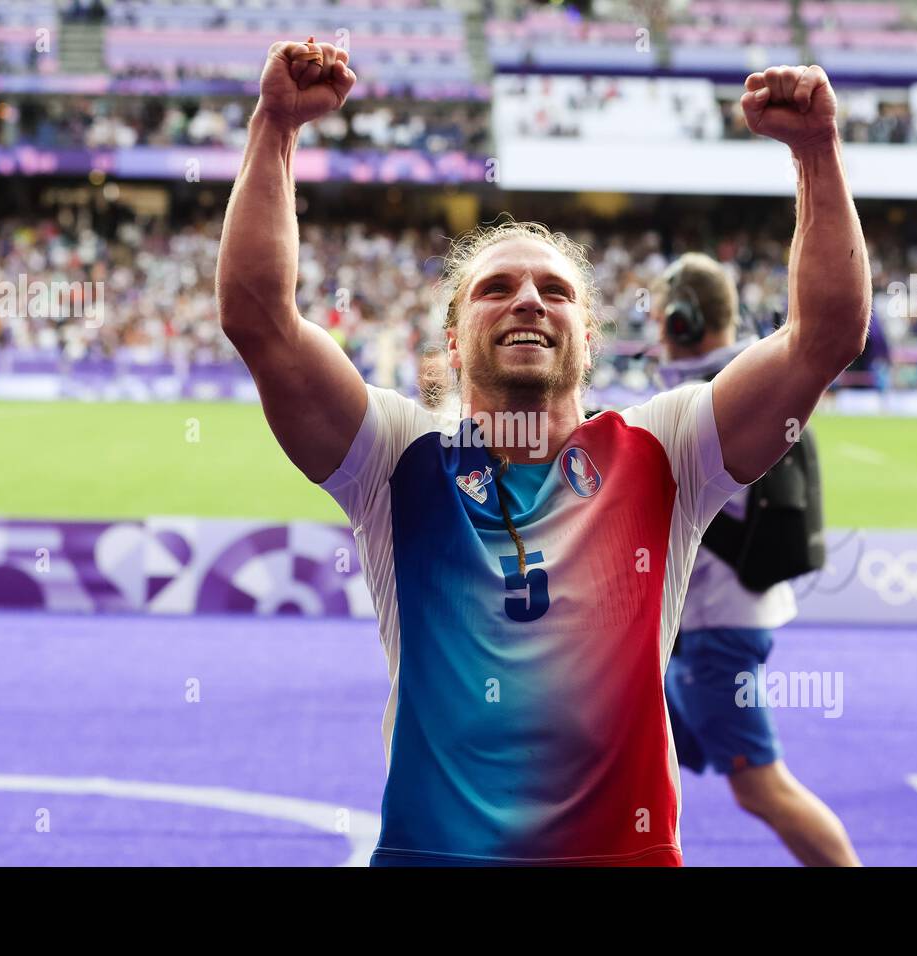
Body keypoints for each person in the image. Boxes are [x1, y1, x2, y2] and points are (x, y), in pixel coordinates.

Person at [216, 39, 870, 866]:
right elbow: (258, 320)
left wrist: (816, 152)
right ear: (453, 342)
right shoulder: (394, 456)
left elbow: (827, 336)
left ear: (587, 336)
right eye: (496, 288)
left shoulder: (668, 449)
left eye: (554, 289)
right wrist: (275, 126)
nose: (528, 298)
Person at [655, 252, 860, 866]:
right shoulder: (747, 375)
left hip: (715, 620)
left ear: (680, 320)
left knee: (760, 786)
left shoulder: (700, 390)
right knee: (623, 750)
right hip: (720, 616)